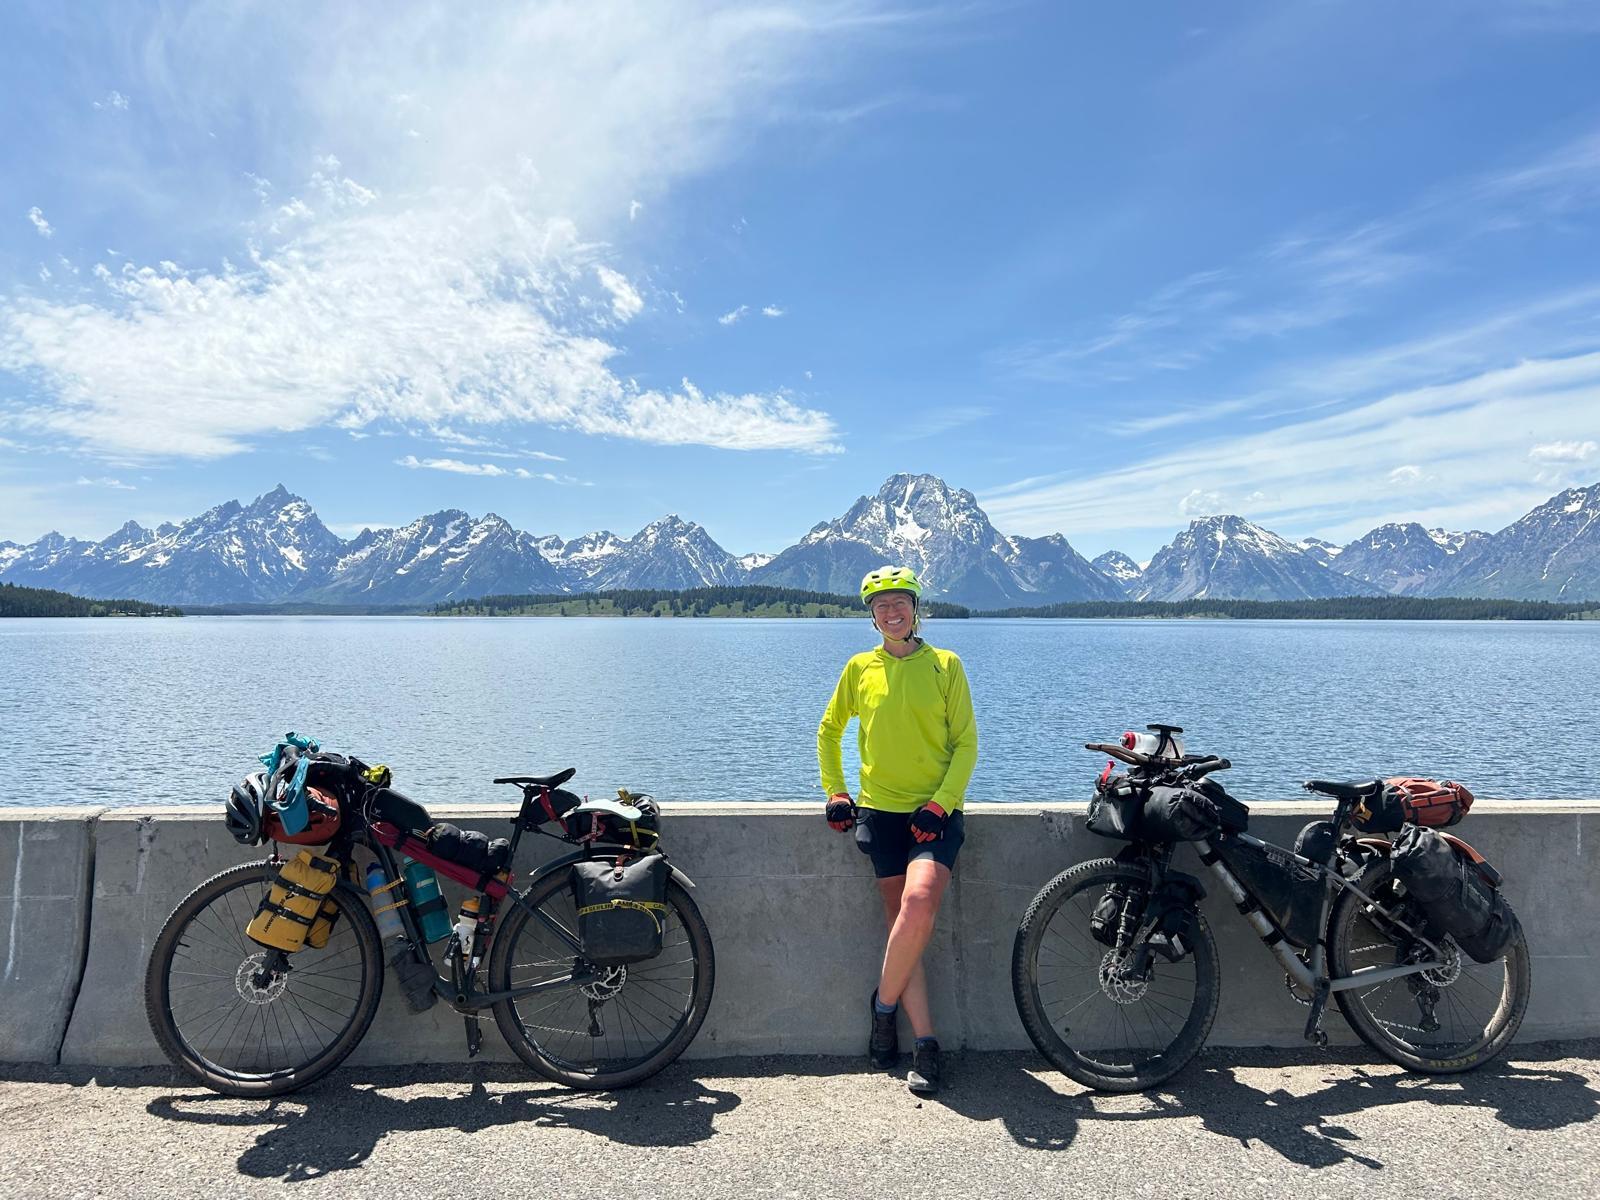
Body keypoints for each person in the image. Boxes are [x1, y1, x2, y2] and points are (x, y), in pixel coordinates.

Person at [817, 565, 978, 1095]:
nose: (891, 612)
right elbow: (829, 729)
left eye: (899, 603)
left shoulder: (945, 666)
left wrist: (942, 803)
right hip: (879, 814)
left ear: (915, 608)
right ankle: (925, 1042)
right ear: (871, 616)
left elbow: (966, 745)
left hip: (934, 816)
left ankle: (882, 1008)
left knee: (919, 903)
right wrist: (836, 791)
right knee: (902, 932)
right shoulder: (860, 668)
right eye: (880, 606)